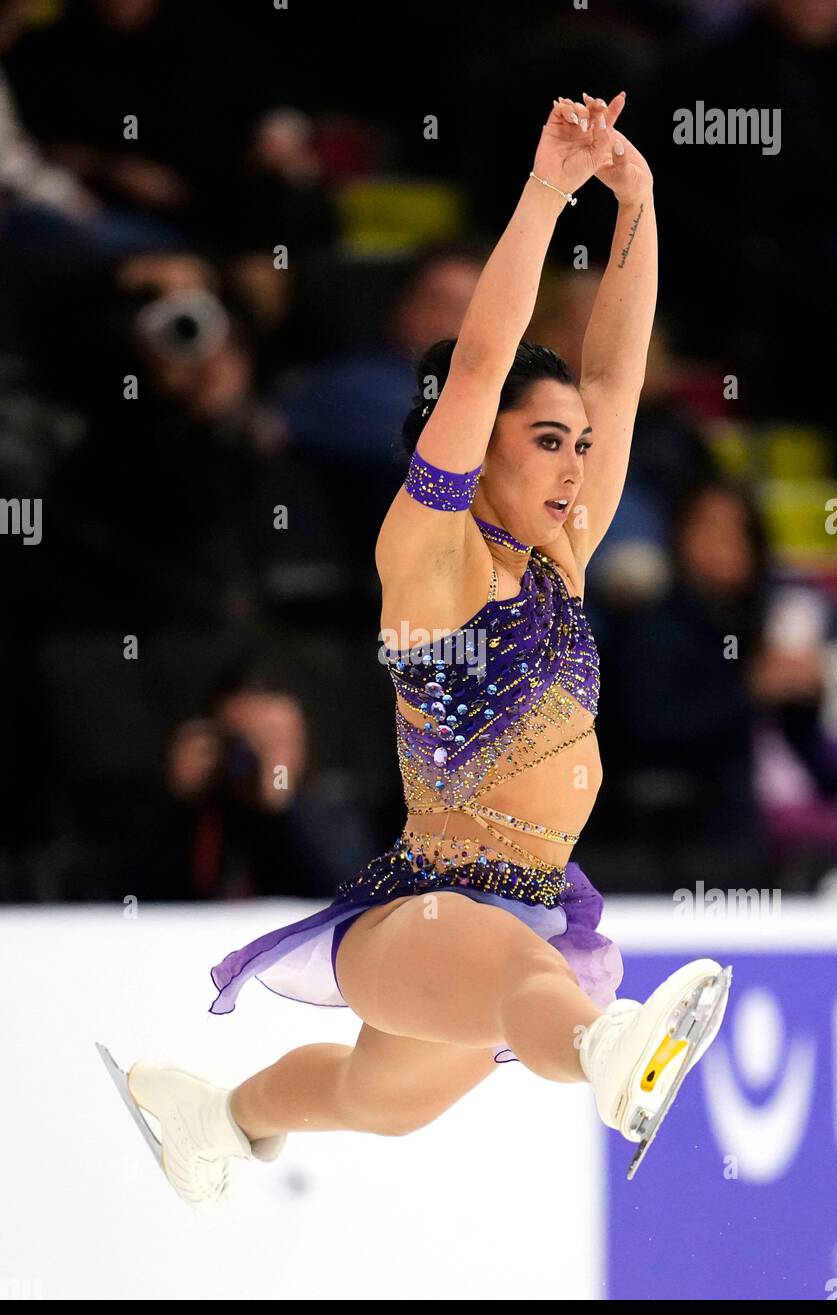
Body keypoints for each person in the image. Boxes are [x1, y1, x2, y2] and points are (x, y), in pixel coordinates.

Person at [111, 93, 731, 1207]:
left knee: (378, 1101)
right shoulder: (435, 556)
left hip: (518, 903)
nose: (577, 466)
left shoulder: (562, 552)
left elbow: (615, 377)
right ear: (475, 438)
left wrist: (636, 200)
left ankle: (216, 1113)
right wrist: (549, 190)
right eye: (547, 443)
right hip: (433, 911)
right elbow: (486, 358)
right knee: (534, 991)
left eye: (580, 449)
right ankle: (611, 1056)